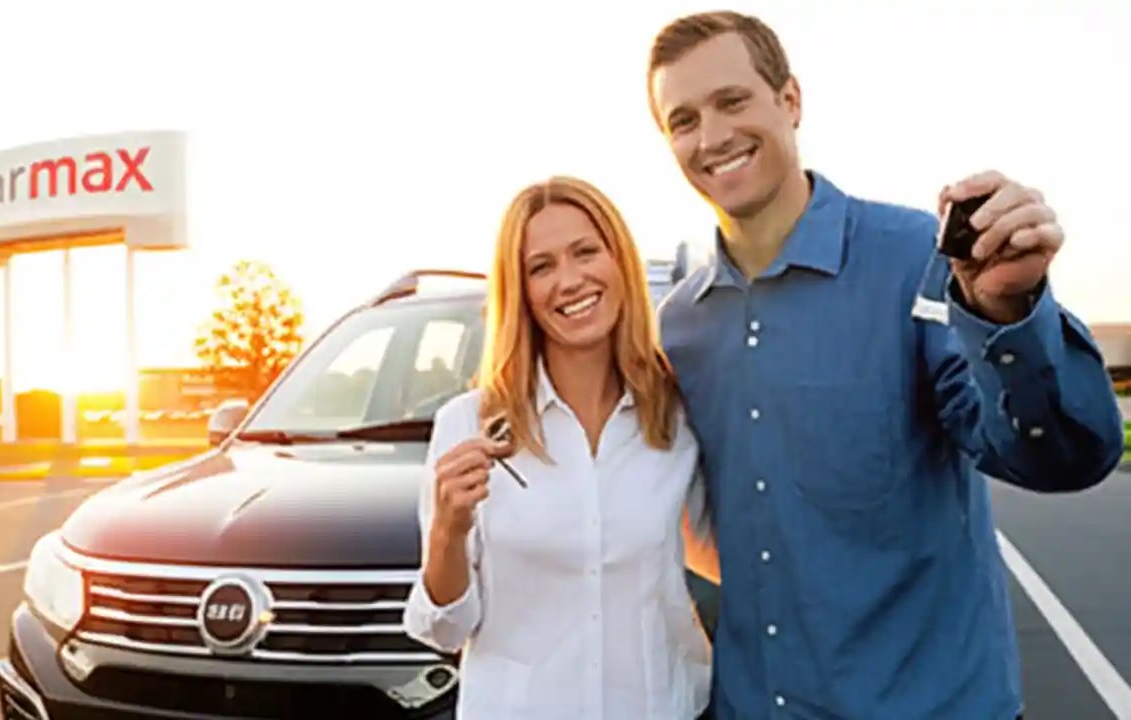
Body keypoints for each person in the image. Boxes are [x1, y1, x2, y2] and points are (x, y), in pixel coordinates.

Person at [645, 10, 1126, 720]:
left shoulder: (922, 264)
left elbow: (1063, 457)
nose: (711, 137)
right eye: (682, 120)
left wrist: (1008, 311)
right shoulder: (679, 327)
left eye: (732, 101)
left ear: (791, 100)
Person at [402, 175, 715, 719]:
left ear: (619, 260)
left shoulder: (676, 417)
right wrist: (447, 532)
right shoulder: (467, 425)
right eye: (540, 267)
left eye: (585, 252)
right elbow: (446, 629)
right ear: (520, 291)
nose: (569, 280)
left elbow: (726, 560)